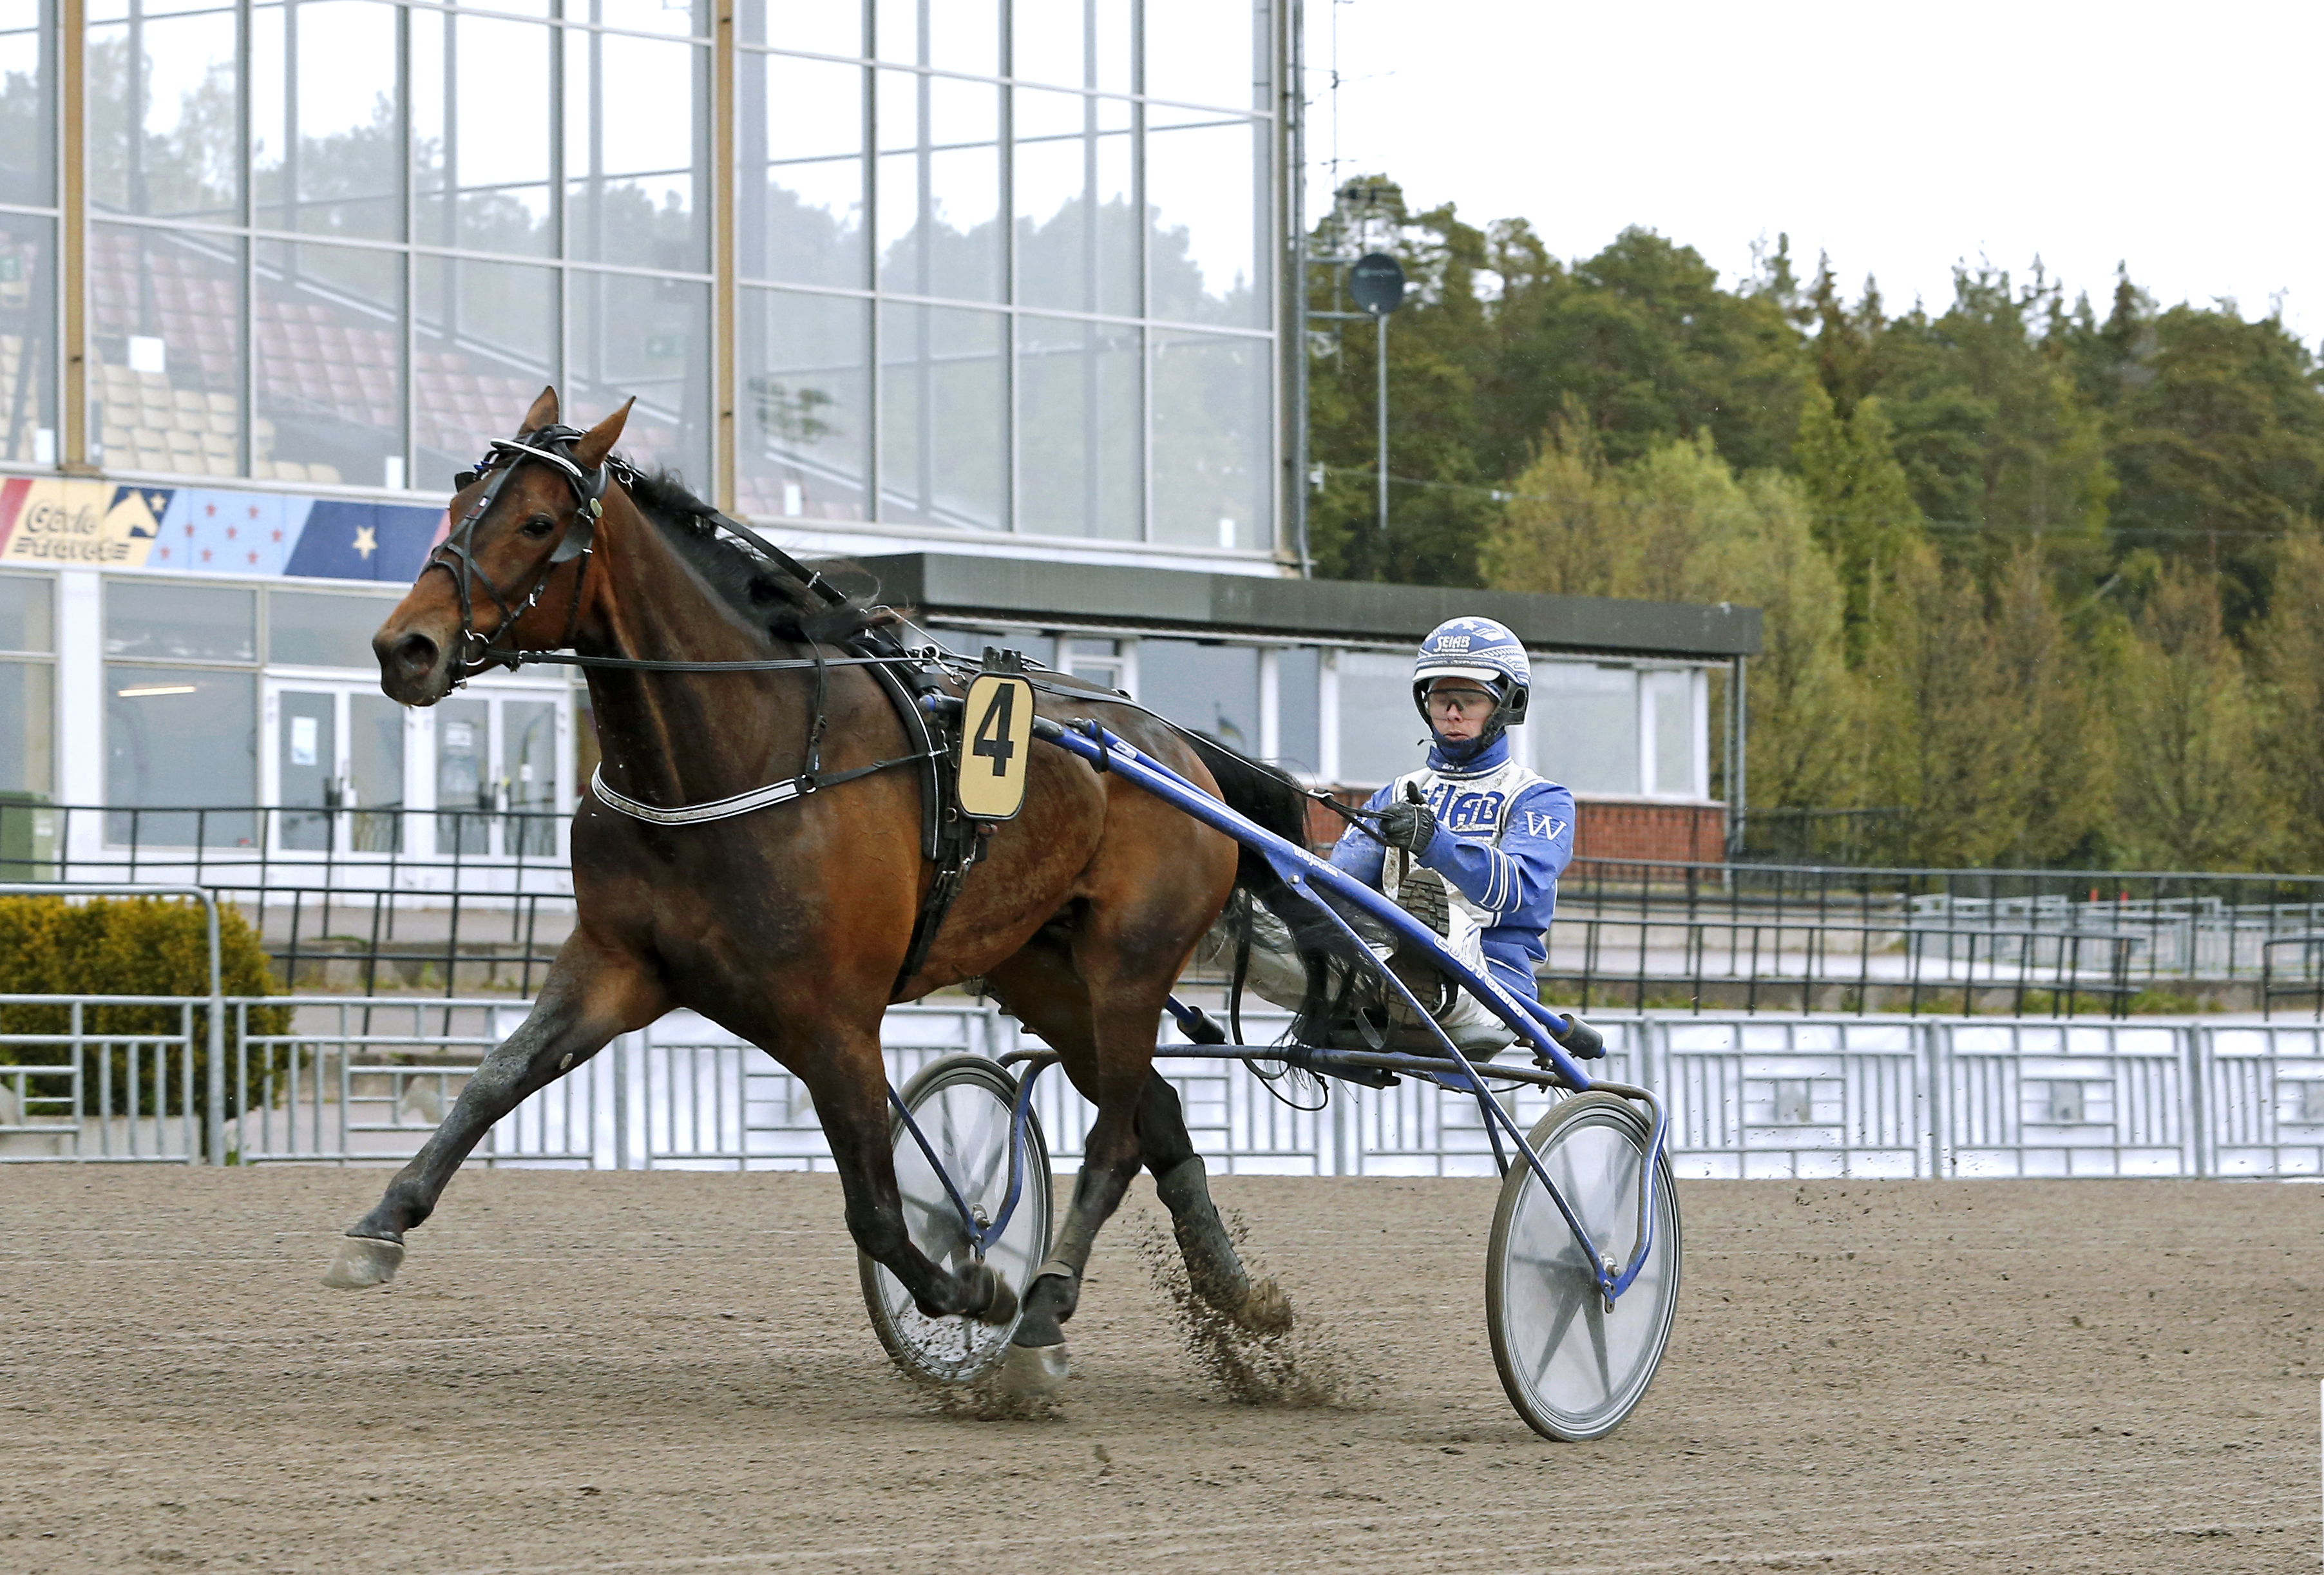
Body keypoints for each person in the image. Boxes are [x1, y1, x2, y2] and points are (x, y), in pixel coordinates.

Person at [1320, 615, 1575, 1052]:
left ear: (1507, 704)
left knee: (1432, 914)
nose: (1452, 713)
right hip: (1385, 964)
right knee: (1297, 916)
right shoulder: (1396, 792)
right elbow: (1334, 885)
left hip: (1494, 983)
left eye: (1470, 699)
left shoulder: (1540, 798)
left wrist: (1433, 842)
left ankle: (1414, 966)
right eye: (1442, 698)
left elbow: (1516, 887)